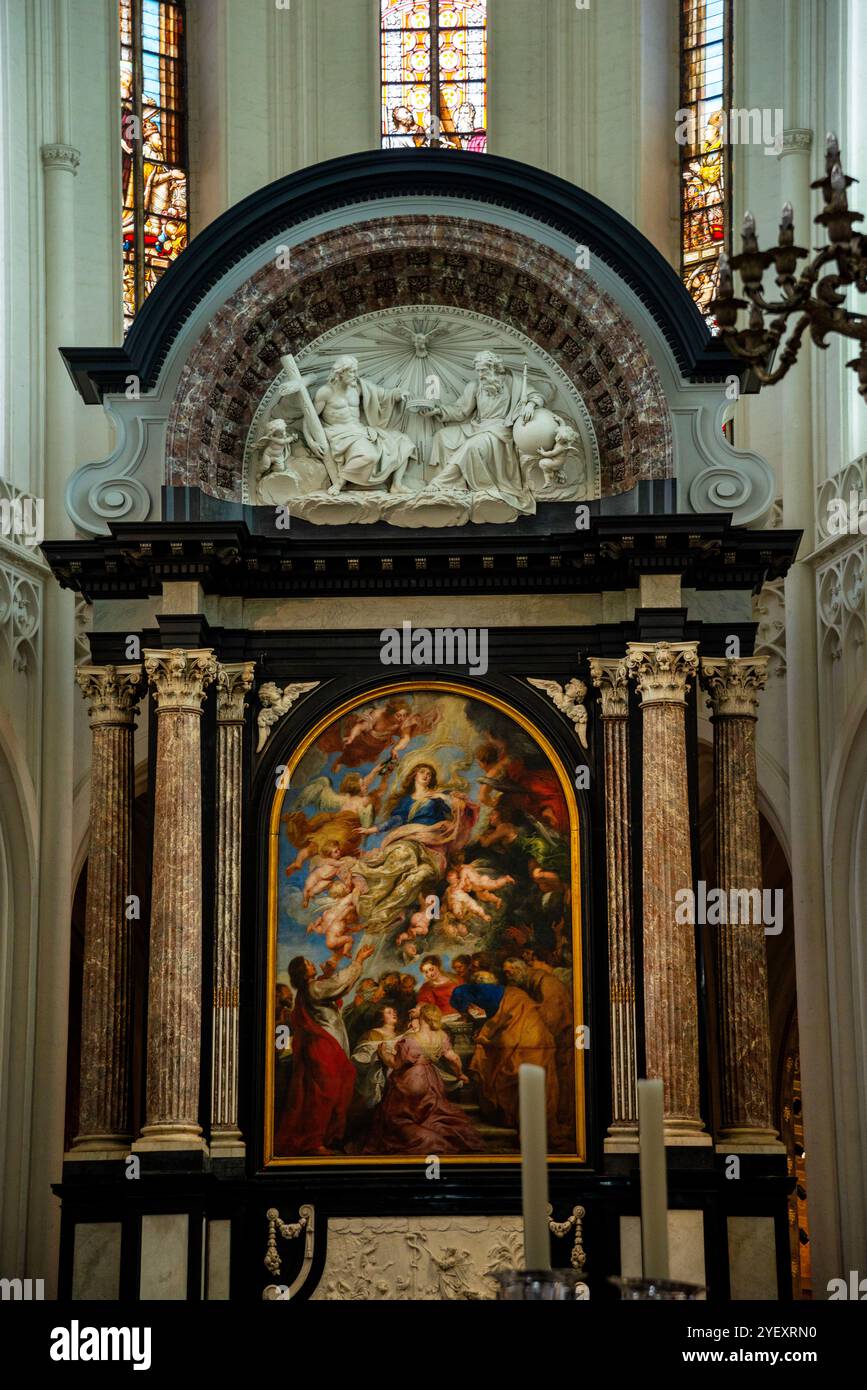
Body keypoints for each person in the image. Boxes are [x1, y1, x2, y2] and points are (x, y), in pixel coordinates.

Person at [275, 942, 374, 1155]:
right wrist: (357, 960)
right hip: (322, 1050)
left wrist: (331, 975)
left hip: (325, 1048)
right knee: (323, 1095)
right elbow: (338, 983)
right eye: (308, 964)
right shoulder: (313, 988)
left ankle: (327, 1138)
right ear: (303, 972)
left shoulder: (312, 988)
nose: (313, 965)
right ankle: (314, 1142)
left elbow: (340, 988)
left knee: (330, 1092)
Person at [418, 351, 543, 510]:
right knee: (442, 436)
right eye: (478, 370)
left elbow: (536, 395)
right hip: (477, 426)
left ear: (495, 367)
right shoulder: (475, 386)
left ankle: (440, 483)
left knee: (472, 446)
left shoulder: (514, 383)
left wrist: (531, 405)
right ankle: (456, 487)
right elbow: (461, 411)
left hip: (499, 430)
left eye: (483, 370)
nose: (480, 374)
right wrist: (438, 411)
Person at [360, 1035, 484, 1155]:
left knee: (399, 1118)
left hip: (410, 1080)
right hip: (432, 1080)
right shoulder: (440, 1035)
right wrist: (460, 1074)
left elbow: (396, 1064)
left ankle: (429, 1140)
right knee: (431, 1116)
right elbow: (454, 1059)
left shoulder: (411, 1039)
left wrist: (383, 1053)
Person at [308, 355, 416, 493]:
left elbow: (383, 394)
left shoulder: (356, 387)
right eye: (352, 371)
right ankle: (339, 483)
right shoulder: (325, 392)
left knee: (404, 441)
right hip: (341, 435)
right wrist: (312, 442)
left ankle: (396, 485)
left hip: (361, 431)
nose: (355, 375)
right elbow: (309, 419)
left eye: (355, 371)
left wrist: (397, 394)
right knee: (368, 456)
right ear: (340, 372)